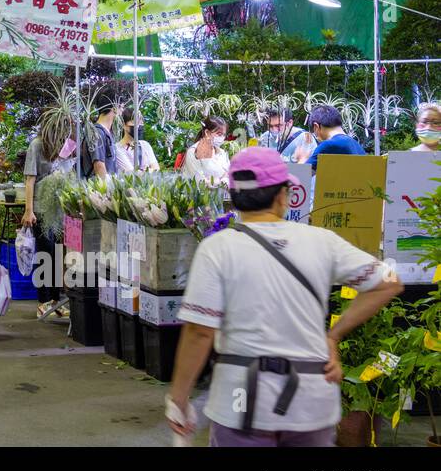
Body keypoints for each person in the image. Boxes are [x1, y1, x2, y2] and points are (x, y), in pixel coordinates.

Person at [168, 147, 401, 446]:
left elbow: (200, 331)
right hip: (311, 401)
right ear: (283, 194)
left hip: (242, 402)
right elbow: (390, 282)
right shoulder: (321, 241)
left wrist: (179, 398)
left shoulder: (218, 248)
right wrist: (333, 336)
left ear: (235, 197)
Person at [21, 128, 71, 320]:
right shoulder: (37, 145)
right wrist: (29, 209)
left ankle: (56, 300)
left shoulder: (66, 144)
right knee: (45, 253)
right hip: (41, 208)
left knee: (58, 255)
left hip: (60, 209)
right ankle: (43, 302)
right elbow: (30, 180)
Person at [304, 105, 365, 173]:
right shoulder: (357, 145)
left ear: (316, 126)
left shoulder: (329, 145)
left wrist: (302, 158)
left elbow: (303, 175)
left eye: (314, 131)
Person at [181, 116, 229, 183]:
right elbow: (200, 181)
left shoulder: (221, 152)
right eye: (219, 134)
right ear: (207, 133)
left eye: (224, 135)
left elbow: (228, 173)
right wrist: (220, 182)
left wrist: (223, 181)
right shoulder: (193, 152)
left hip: (221, 192)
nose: (222, 138)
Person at [114, 107, 159, 174]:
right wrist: (148, 170)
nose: (138, 126)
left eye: (141, 122)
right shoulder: (117, 148)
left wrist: (142, 172)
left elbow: (156, 169)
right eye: (134, 122)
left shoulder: (145, 145)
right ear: (124, 125)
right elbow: (132, 173)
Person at [85, 101, 119, 178]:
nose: (122, 111)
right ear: (114, 108)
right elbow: (99, 166)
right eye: (122, 107)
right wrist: (108, 188)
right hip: (100, 188)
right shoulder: (97, 132)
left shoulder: (107, 132)